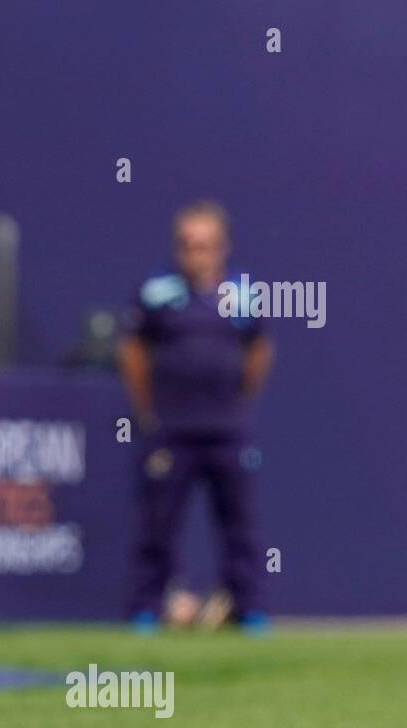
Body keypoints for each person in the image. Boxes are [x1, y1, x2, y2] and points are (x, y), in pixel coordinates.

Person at [119, 201, 275, 636]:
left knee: (240, 524)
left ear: (222, 247)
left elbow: (260, 350)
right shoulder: (155, 293)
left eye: (205, 245)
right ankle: (147, 606)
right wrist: (149, 410)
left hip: (227, 429)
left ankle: (249, 607)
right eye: (188, 245)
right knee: (158, 523)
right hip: (172, 429)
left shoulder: (244, 294)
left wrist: (238, 399)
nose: (197, 254)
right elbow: (132, 352)